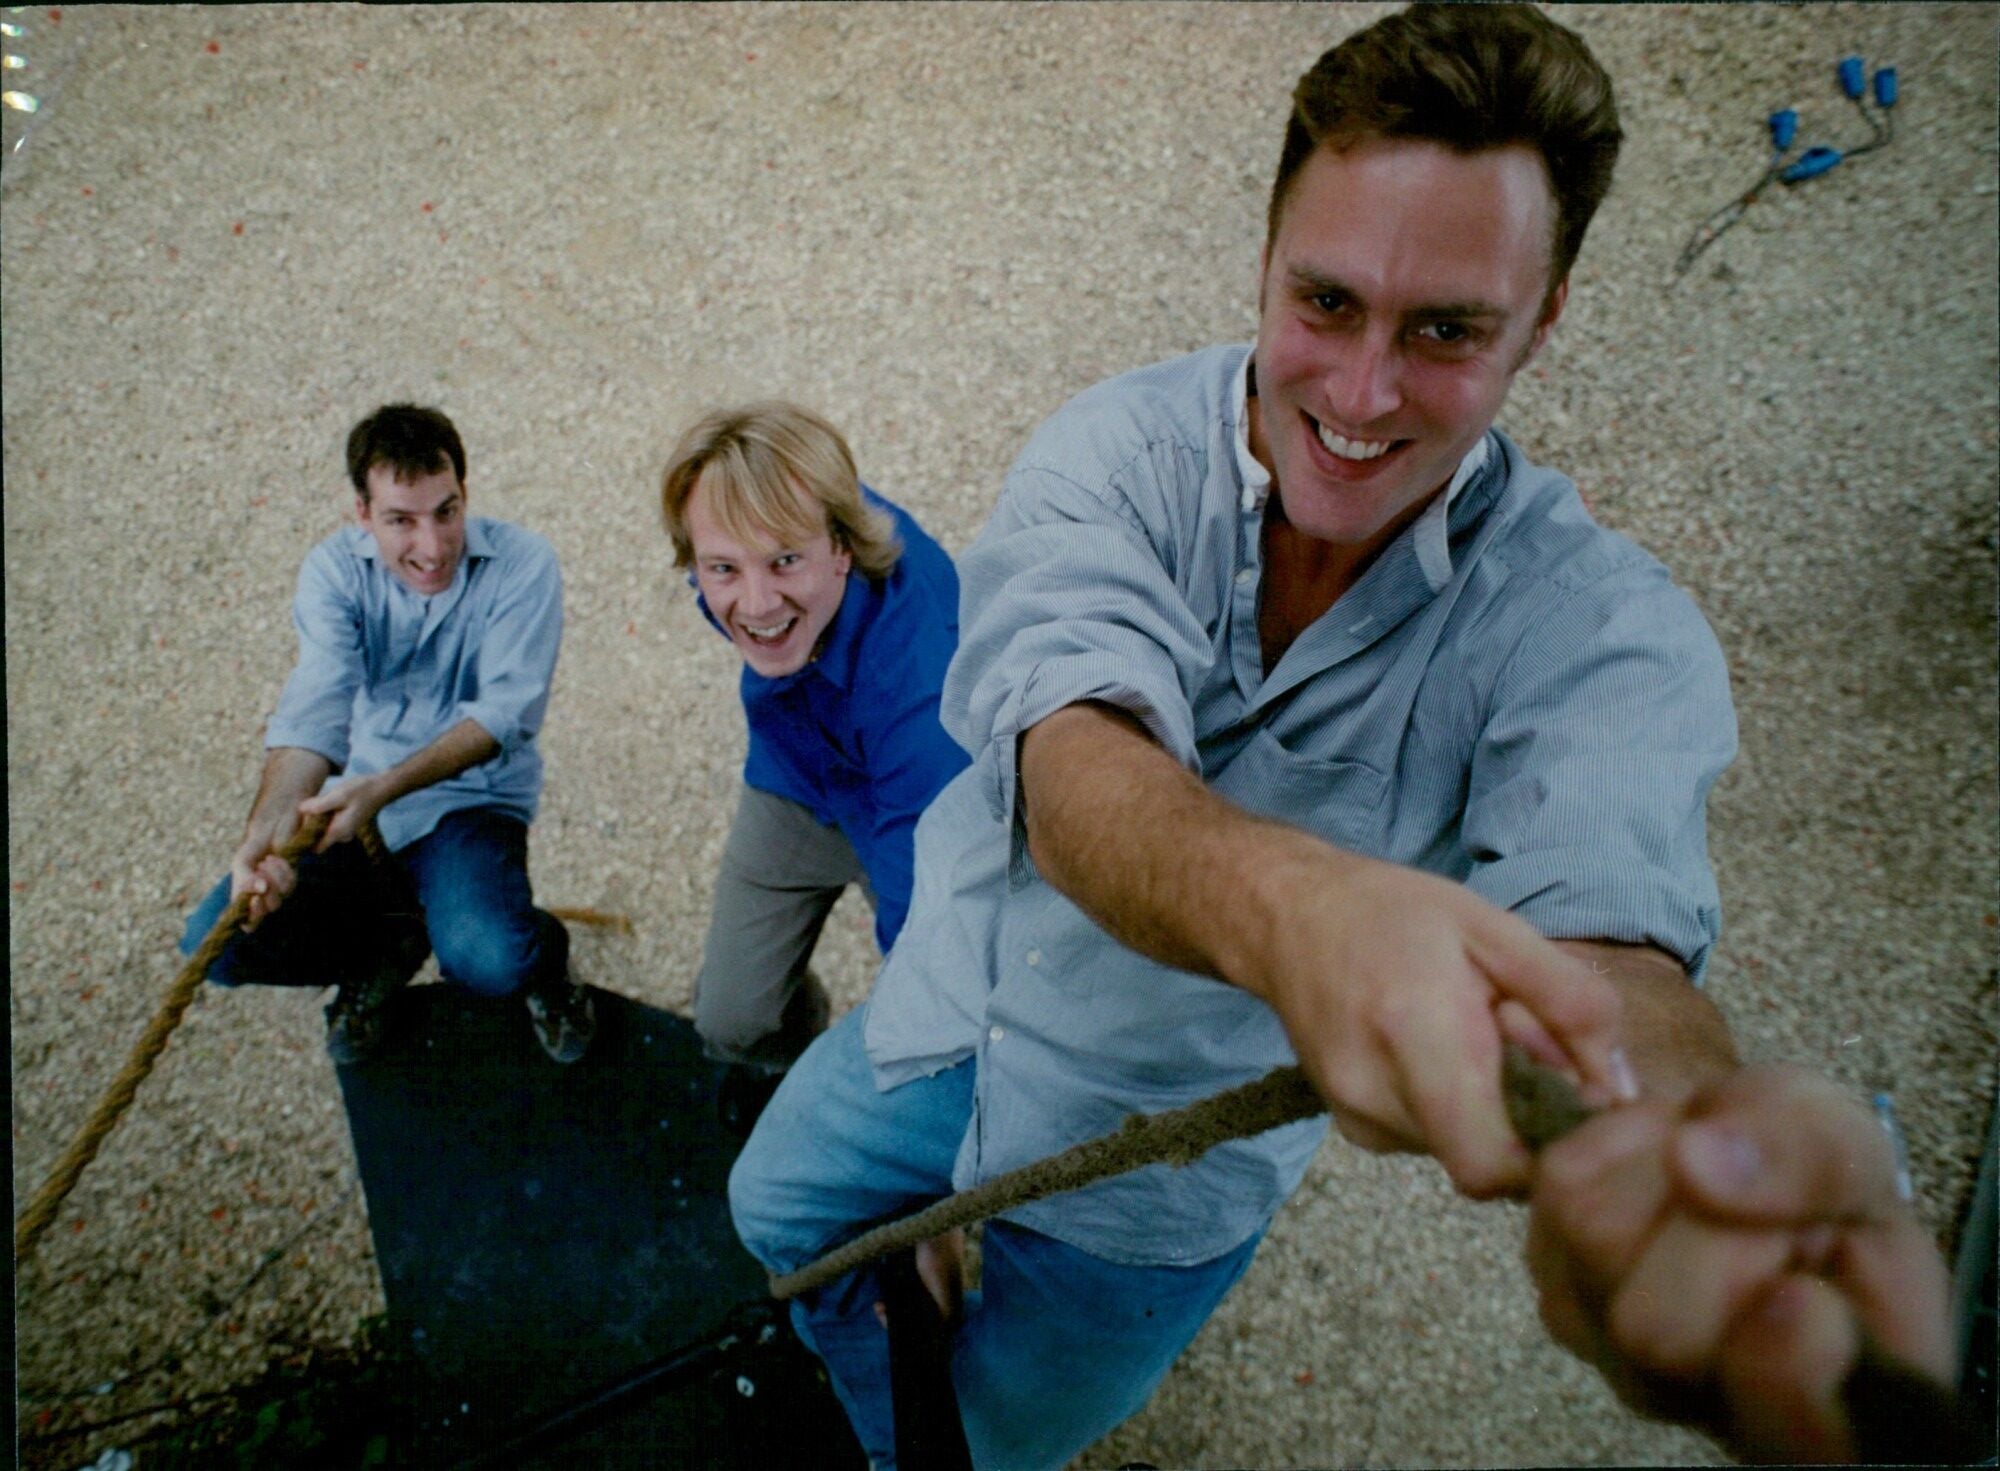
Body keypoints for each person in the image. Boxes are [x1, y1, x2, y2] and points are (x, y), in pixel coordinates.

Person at [729, 6, 1958, 1467]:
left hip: (1150, 1190)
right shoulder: (1111, 453)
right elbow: (1071, 759)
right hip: (945, 1024)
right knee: (780, 1215)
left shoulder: (1601, 635)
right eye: (1324, 303)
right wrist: (1295, 909)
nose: (1364, 394)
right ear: (1261, 263)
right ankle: (884, 1396)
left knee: (986, 1442)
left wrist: (1668, 1152)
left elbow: (1609, 958)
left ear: (1548, 317)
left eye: (1446, 329)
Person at [181, 403, 594, 1066]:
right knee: (216, 945)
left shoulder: (523, 564)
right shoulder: (333, 573)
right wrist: (262, 835)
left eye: (446, 511)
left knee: (490, 959)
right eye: (401, 520)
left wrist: (385, 786)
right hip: (358, 804)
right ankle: (386, 947)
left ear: (465, 492)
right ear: (362, 514)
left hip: (470, 801)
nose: (431, 547)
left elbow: (505, 714)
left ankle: (545, 960)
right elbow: (316, 707)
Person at [659, 402, 969, 1133]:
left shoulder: (921, 698)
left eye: (785, 561)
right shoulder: (741, 576)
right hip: (797, 771)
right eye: (723, 568)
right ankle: (791, 1052)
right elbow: (752, 604)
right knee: (731, 1020)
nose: (757, 602)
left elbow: (921, 950)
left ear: (842, 548)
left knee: (931, 1001)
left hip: (910, 806)